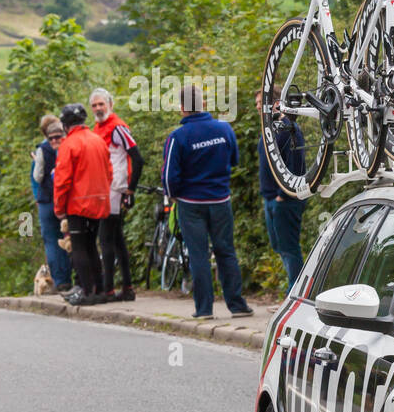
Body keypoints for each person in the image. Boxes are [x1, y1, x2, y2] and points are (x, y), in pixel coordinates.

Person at [161, 83, 253, 320]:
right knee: (226, 251)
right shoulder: (224, 129)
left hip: (190, 204)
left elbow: (170, 175)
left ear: (182, 108)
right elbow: (234, 160)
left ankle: (204, 310)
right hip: (221, 200)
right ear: (203, 104)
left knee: (198, 254)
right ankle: (237, 305)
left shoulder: (178, 137)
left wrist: (173, 195)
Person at [52, 103, 112, 307]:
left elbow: (62, 180)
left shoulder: (68, 145)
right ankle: (100, 289)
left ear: (65, 124)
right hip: (99, 201)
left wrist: (59, 207)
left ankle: (86, 291)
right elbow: (109, 170)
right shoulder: (98, 140)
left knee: (78, 248)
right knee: (92, 246)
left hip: (78, 203)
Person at [90, 87, 144, 302]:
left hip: (115, 188)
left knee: (106, 238)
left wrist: (130, 189)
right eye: (94, 105)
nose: (98, 108)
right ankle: (127, 287)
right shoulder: (97, 128)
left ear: (110, 105)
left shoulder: (118, 128)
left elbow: (137, 158)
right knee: (117, 239)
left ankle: (109, 289)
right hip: (104, 188)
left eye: (101, 104)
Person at [256, 91, 306, 288]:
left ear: (276, 102)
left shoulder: (289, 129)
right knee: (280, 247)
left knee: (289, 248)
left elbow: (296, 164)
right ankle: (291, 292)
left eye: (261, 103)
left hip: (285, 200)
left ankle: (295, 294)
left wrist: (282, 196)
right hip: (271, 198)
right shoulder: (271, 128)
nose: (258, 107)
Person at [31, 115, 72, 293]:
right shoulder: (69, 144)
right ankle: (74, 278)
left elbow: (37, 177)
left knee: (51, 241)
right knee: (69, 238)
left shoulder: (42, 149)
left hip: (47, 200)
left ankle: (59, 280)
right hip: (67, 199)